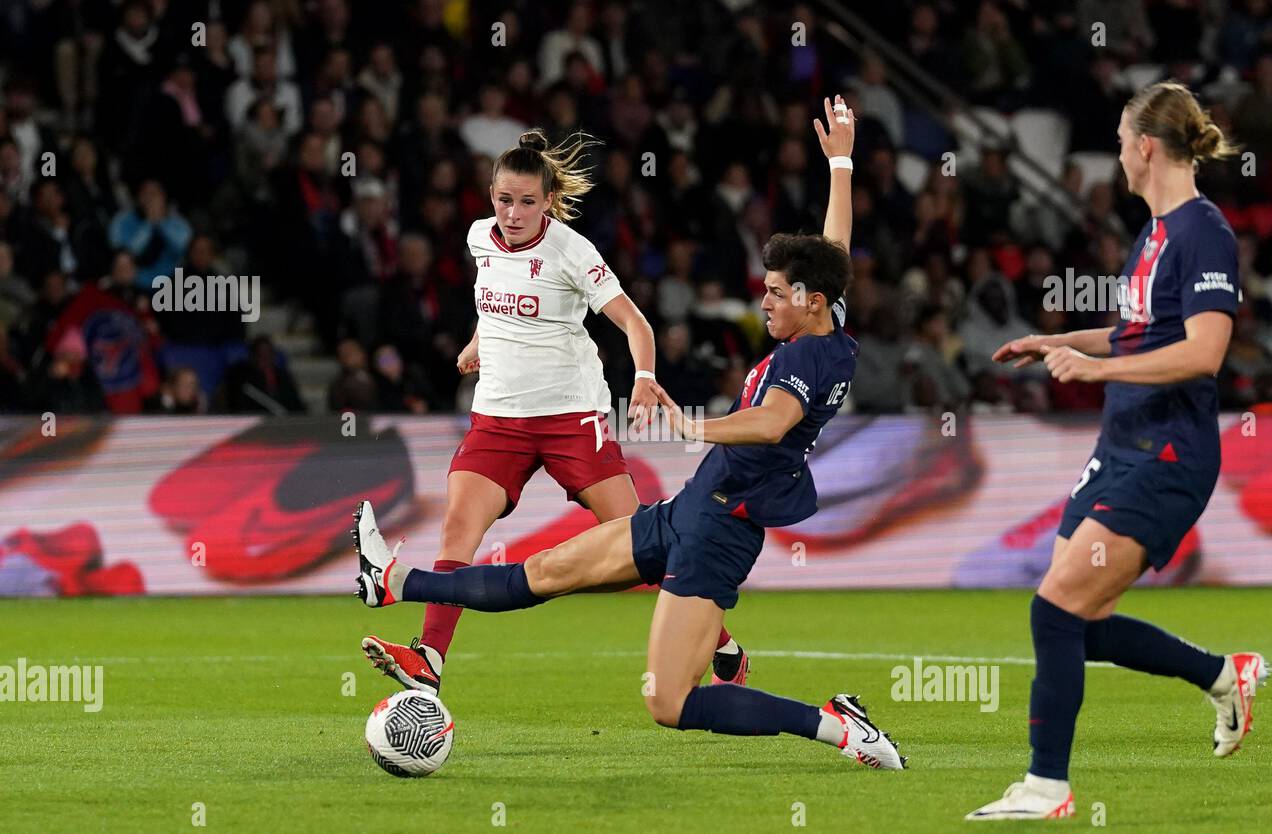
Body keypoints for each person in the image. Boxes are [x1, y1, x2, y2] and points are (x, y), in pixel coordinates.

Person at [354, 97, 905, 770]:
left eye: (774, 293)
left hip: (718, 530)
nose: (763, 301)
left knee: (669, 702)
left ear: (808, 303)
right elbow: (834, 254)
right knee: (539, 574)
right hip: (685, 510)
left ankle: (834, 727)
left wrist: (689, 421)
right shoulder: (828, 320)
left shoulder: (806, 359)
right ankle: (392, 579)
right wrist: (841, 164)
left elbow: (772, 422)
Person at [967, 83, 1267, 821]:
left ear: (1143, 148)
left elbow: (1203, 352)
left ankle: (1047, 788)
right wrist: (1058, 343)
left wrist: (1096, 371)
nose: (1115, 153)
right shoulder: (1155, 234)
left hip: (1168, 454)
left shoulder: (1203, 232)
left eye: (1119, 137)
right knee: (1078, 620)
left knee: (1054, 609)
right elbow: (1139, 335)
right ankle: (1221, 676)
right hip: (1120, 447)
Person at [361, 129, 750, 695]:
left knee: (640, 548)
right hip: (497, 419)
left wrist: (643, 378)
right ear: (490, 195)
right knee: (458, 533)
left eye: (526, 202)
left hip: (572, 418)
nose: (513, 213)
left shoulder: (572, 251)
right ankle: (429, 660)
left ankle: (725, 647)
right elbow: (492, 299)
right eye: (503, 200)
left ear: (547, 202)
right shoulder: (479, 240)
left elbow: (636, 323)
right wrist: (478, 340)